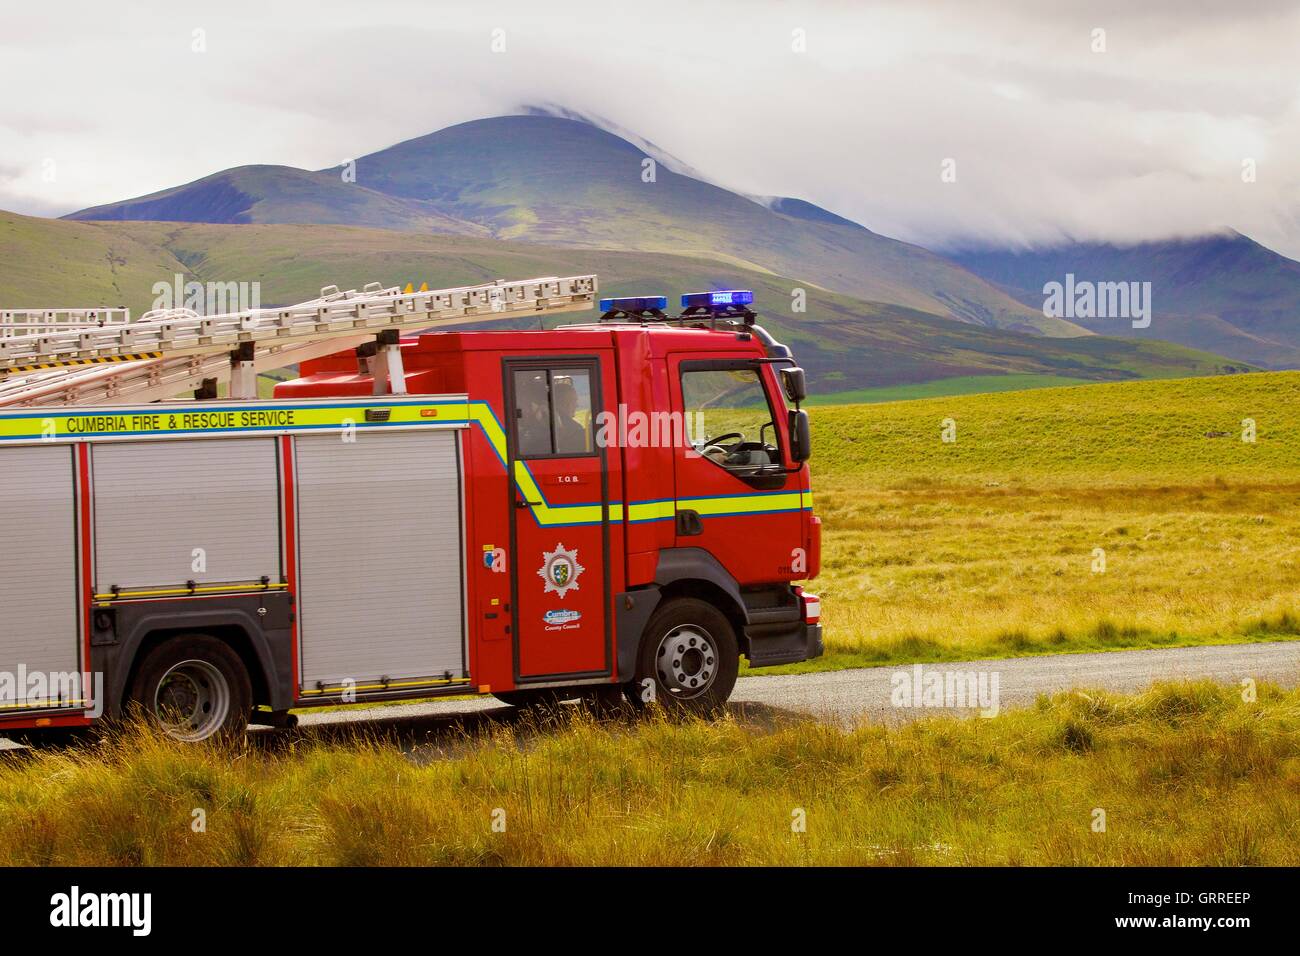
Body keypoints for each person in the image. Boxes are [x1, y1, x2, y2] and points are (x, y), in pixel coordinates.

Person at [551, 378, 588, 454]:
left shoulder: (545, 422)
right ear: (565, 403)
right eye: (574, 401)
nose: (577, 405)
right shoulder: (575, 429)